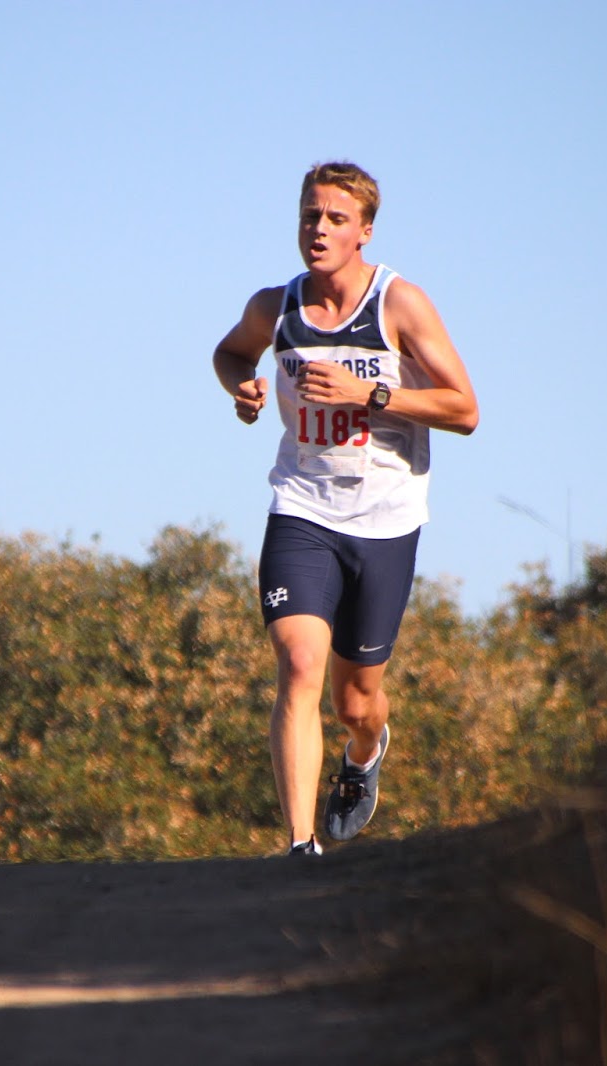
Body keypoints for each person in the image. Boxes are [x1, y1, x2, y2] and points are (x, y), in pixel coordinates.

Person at [212, 161, 479, 856]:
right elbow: (231, 353)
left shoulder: (399, 304)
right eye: (310, 215)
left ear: (364, 231)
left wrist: (370, 394)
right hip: (302, 508)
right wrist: (242, 387)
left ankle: (364, 751)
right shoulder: (275, 308)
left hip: (387, 519)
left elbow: (465, 410)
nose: (319, 229)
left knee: (354, 702)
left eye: (336, 218)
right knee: (300, 664)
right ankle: (301, 846)